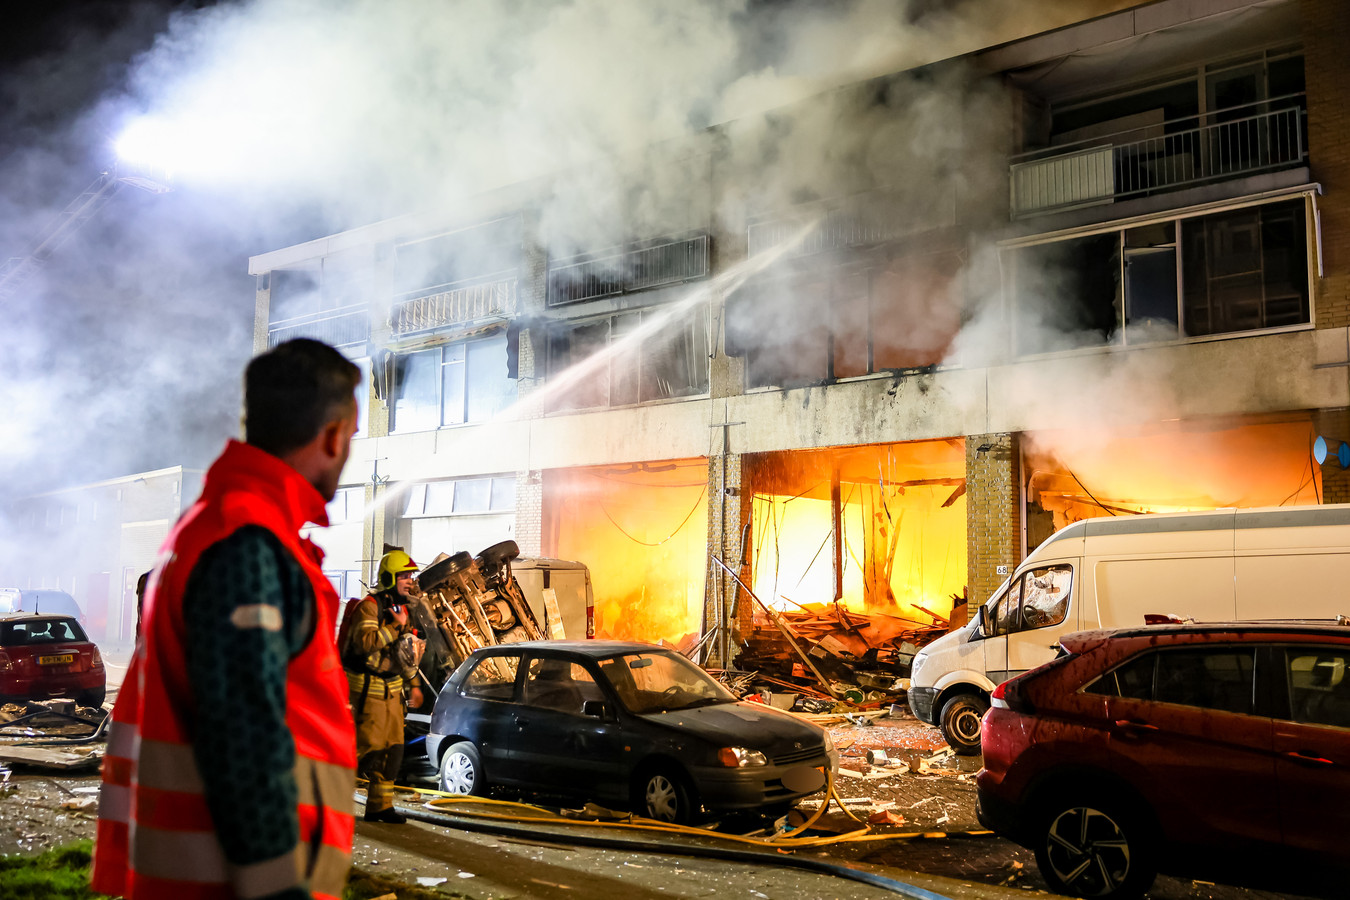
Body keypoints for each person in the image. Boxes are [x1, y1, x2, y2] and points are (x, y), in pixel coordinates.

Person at [92, 339, 361, 900]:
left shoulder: (219, 526)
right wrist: (278, 887)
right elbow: (245, 737)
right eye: (352, 437)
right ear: (334, 435)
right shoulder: (248, 543)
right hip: (231, 882)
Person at [339, 549, 424, 823]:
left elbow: (404, 652)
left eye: (411, 575)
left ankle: (379, 806)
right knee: (367, 751)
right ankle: (323, 797)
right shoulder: (369, 607)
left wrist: (415, 685)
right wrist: (395, 627)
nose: (410, 581)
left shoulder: (401, 609)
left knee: (392, 751)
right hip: (369, 693)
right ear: (389, 578)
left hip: (392, 694)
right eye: (404, 576)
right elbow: (365, 643)